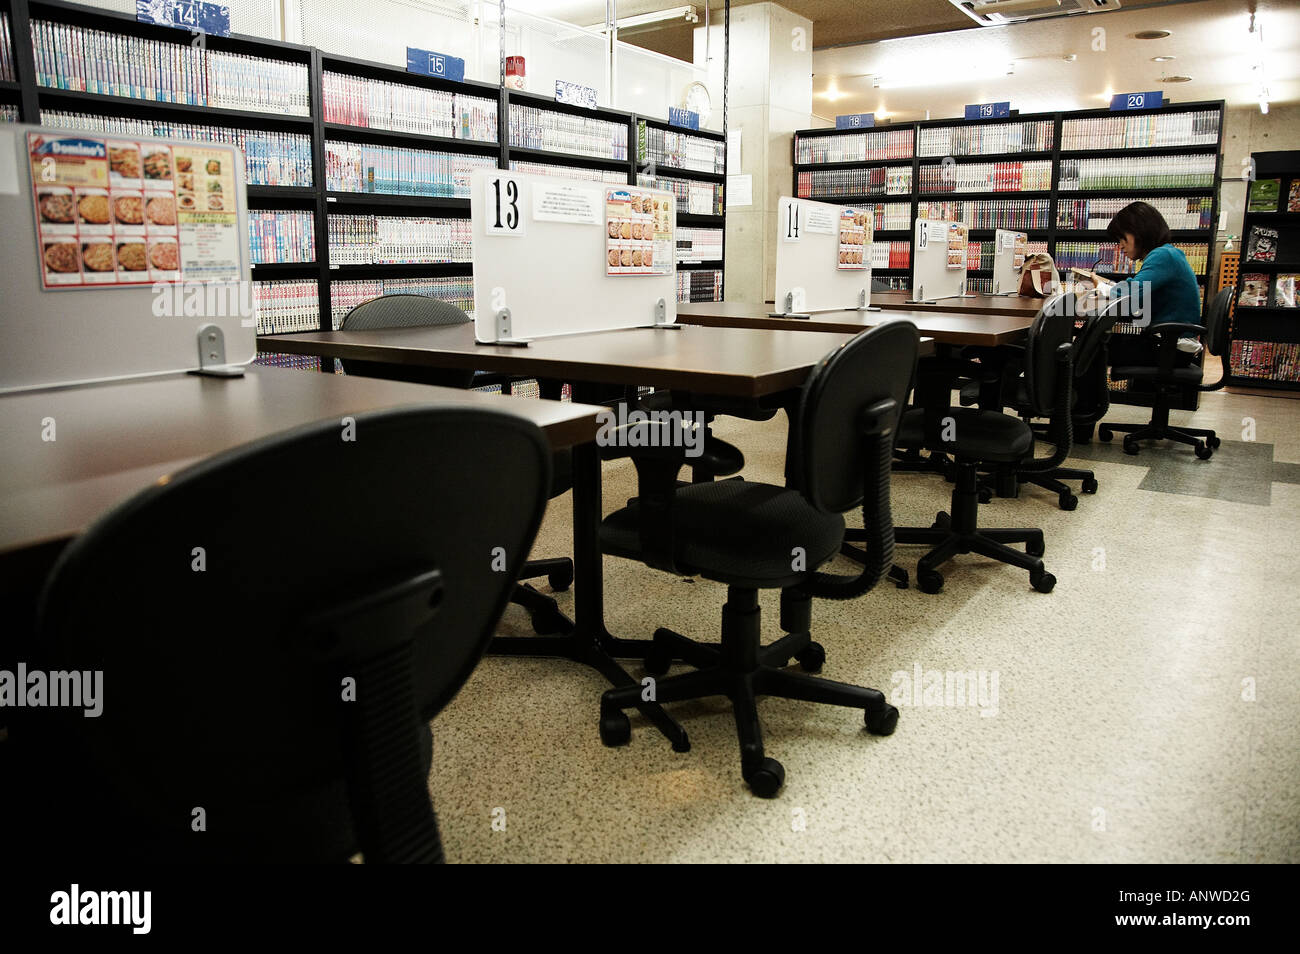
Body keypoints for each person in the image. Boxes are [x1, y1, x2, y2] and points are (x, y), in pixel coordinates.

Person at [1103, 201, 1203, 350]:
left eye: (1122, 238)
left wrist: (1102, 288)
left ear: (1139, 231)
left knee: (1093, 350)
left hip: (1171, 346)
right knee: (1098, 346)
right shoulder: (1168, 253)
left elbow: (1131, 296)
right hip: (1171, 341)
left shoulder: (1163, 256)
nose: (1121, 246)